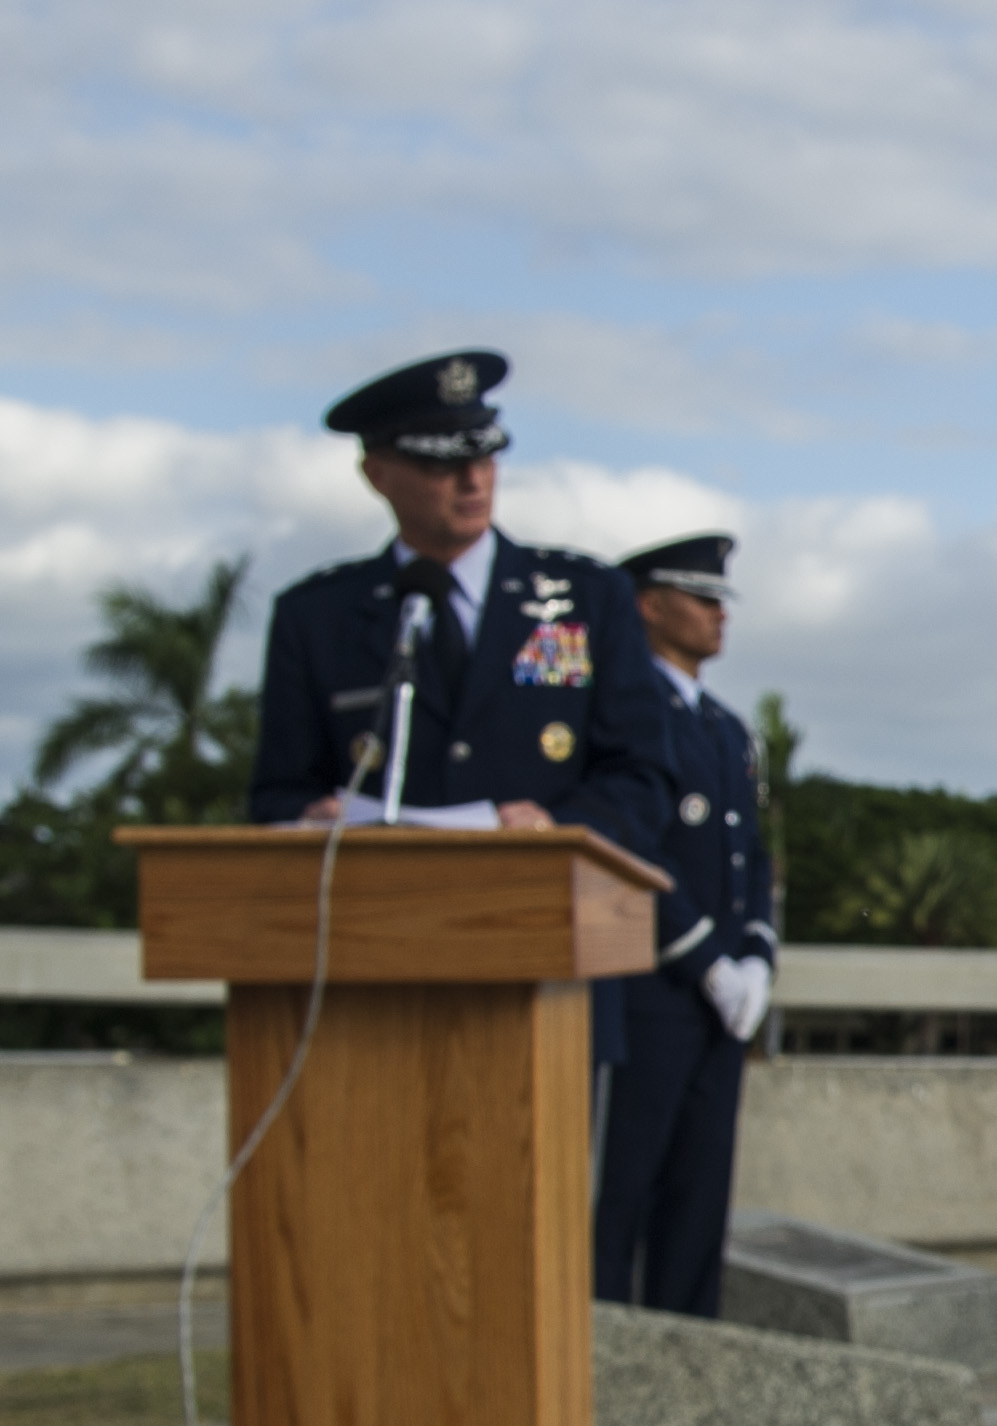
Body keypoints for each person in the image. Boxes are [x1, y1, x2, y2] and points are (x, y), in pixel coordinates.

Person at [248, 351, 673, 1061]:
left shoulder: (587, 600)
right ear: (378, 474)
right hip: (368, 991)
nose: (473, 480)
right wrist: (306, 817)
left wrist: (558, 826)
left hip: (547, 976)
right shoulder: (317, 617)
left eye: (485, 456)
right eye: (442, 463)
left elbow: (646, 777)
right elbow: (275, 790)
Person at [591, 534, 777, 1318]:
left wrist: (757, 955)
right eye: (701, 599)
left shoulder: (729, 731)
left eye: (720, 602)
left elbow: (751, 857)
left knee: (699, 1190)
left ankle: (688, 1347)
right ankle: (600, 1346)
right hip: (650, 985)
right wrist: (700, 954)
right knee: (621, 1185)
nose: (716, 616)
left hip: (721, 997)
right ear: (648, 604)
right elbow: (632, 843)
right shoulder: (627, 707)